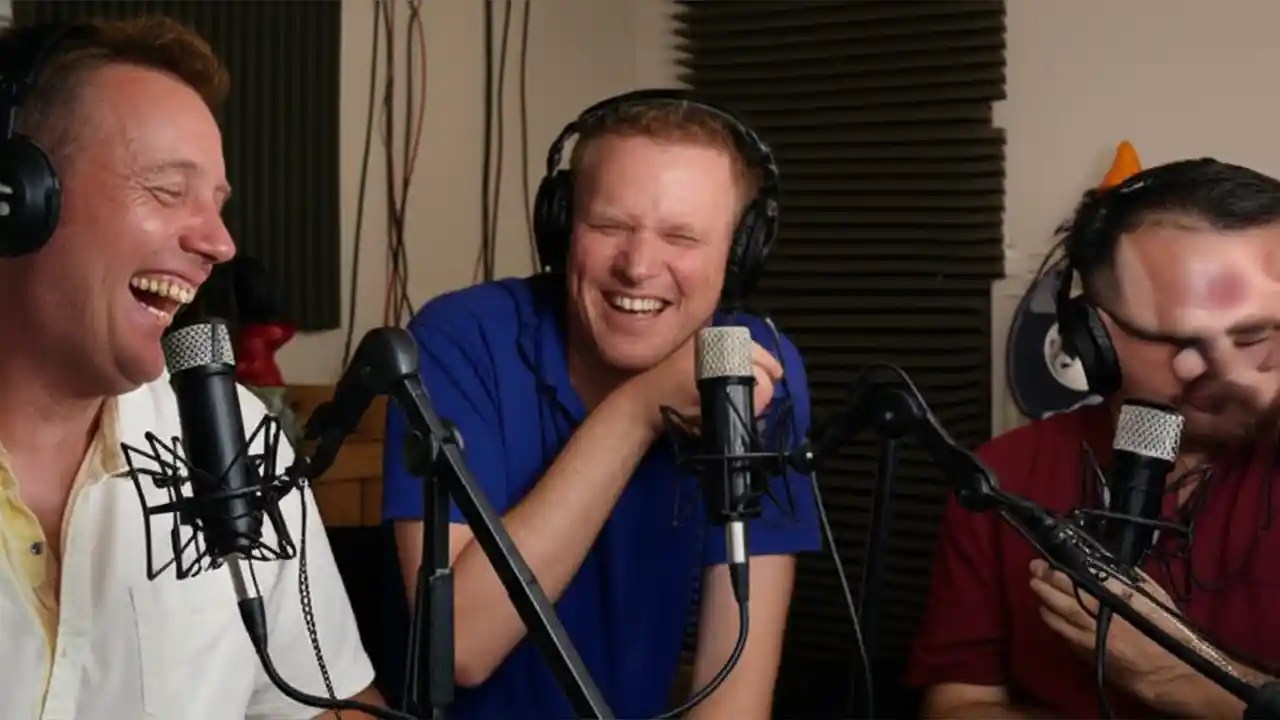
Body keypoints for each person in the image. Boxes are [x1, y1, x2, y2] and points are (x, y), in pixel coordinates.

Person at [381, 90, 821, 719]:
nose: (638, 266)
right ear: (562, 227)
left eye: (682, 236)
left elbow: (736, 697)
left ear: (742, 253)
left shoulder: (749, 367)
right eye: (609, 225)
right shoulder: (460, 340)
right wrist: (638, 411)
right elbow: (459, 647)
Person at [0, 17, 383, 719]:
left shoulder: (235, 436)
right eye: (168, 190)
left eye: (217, 204)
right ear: (17, 198)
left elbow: (334, 707)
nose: (219, 243)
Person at [907, 157, 1280, 718]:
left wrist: (1177, 679)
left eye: (1258, 334)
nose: (1244, 372)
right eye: (1189, 342)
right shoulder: (1003, 478)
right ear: (1094, 340)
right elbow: (960, 702)